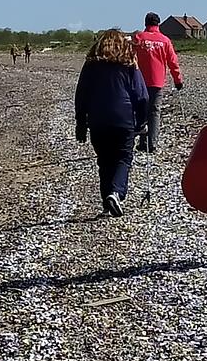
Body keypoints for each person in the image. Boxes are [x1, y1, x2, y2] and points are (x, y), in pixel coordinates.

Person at [75, 30, 149, 218]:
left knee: (104, 161)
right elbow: (141, 96)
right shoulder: (128, 63)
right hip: (123, 119)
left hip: (98, 120)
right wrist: (142, 122)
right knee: (123, 158)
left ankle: (107, 203)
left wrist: (81, 124)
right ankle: (115, 193)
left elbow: (81, 95)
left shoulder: (91, 64)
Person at [131, 13, 185, 154]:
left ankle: (142, 142)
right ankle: (152, 143)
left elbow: (129, 57)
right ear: (158, 24)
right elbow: (173, 62)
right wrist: (178, 80)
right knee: (154, 112)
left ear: (146, 23)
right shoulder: (165, 41)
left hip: (139, 81)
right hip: (157, 82)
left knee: (141, 111)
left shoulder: (138, 38)